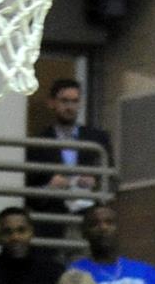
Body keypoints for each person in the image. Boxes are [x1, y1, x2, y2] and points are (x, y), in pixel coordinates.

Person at [27, 76, 111, 228]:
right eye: (64, 101)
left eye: (74, 101)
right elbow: (29, 191)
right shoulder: (37, 144)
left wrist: (95, 183)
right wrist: (50, 187)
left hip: (90, 218)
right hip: (52, 219)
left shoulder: (98, 138)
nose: (70, 107)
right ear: (52, 103)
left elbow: (111, 179)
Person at [70, 202, 155, 284]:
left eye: (109, 222)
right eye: (94, 224)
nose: (103, 228)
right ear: (84, 233)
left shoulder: (147, 271)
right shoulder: (75, 274)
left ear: (119, 229)